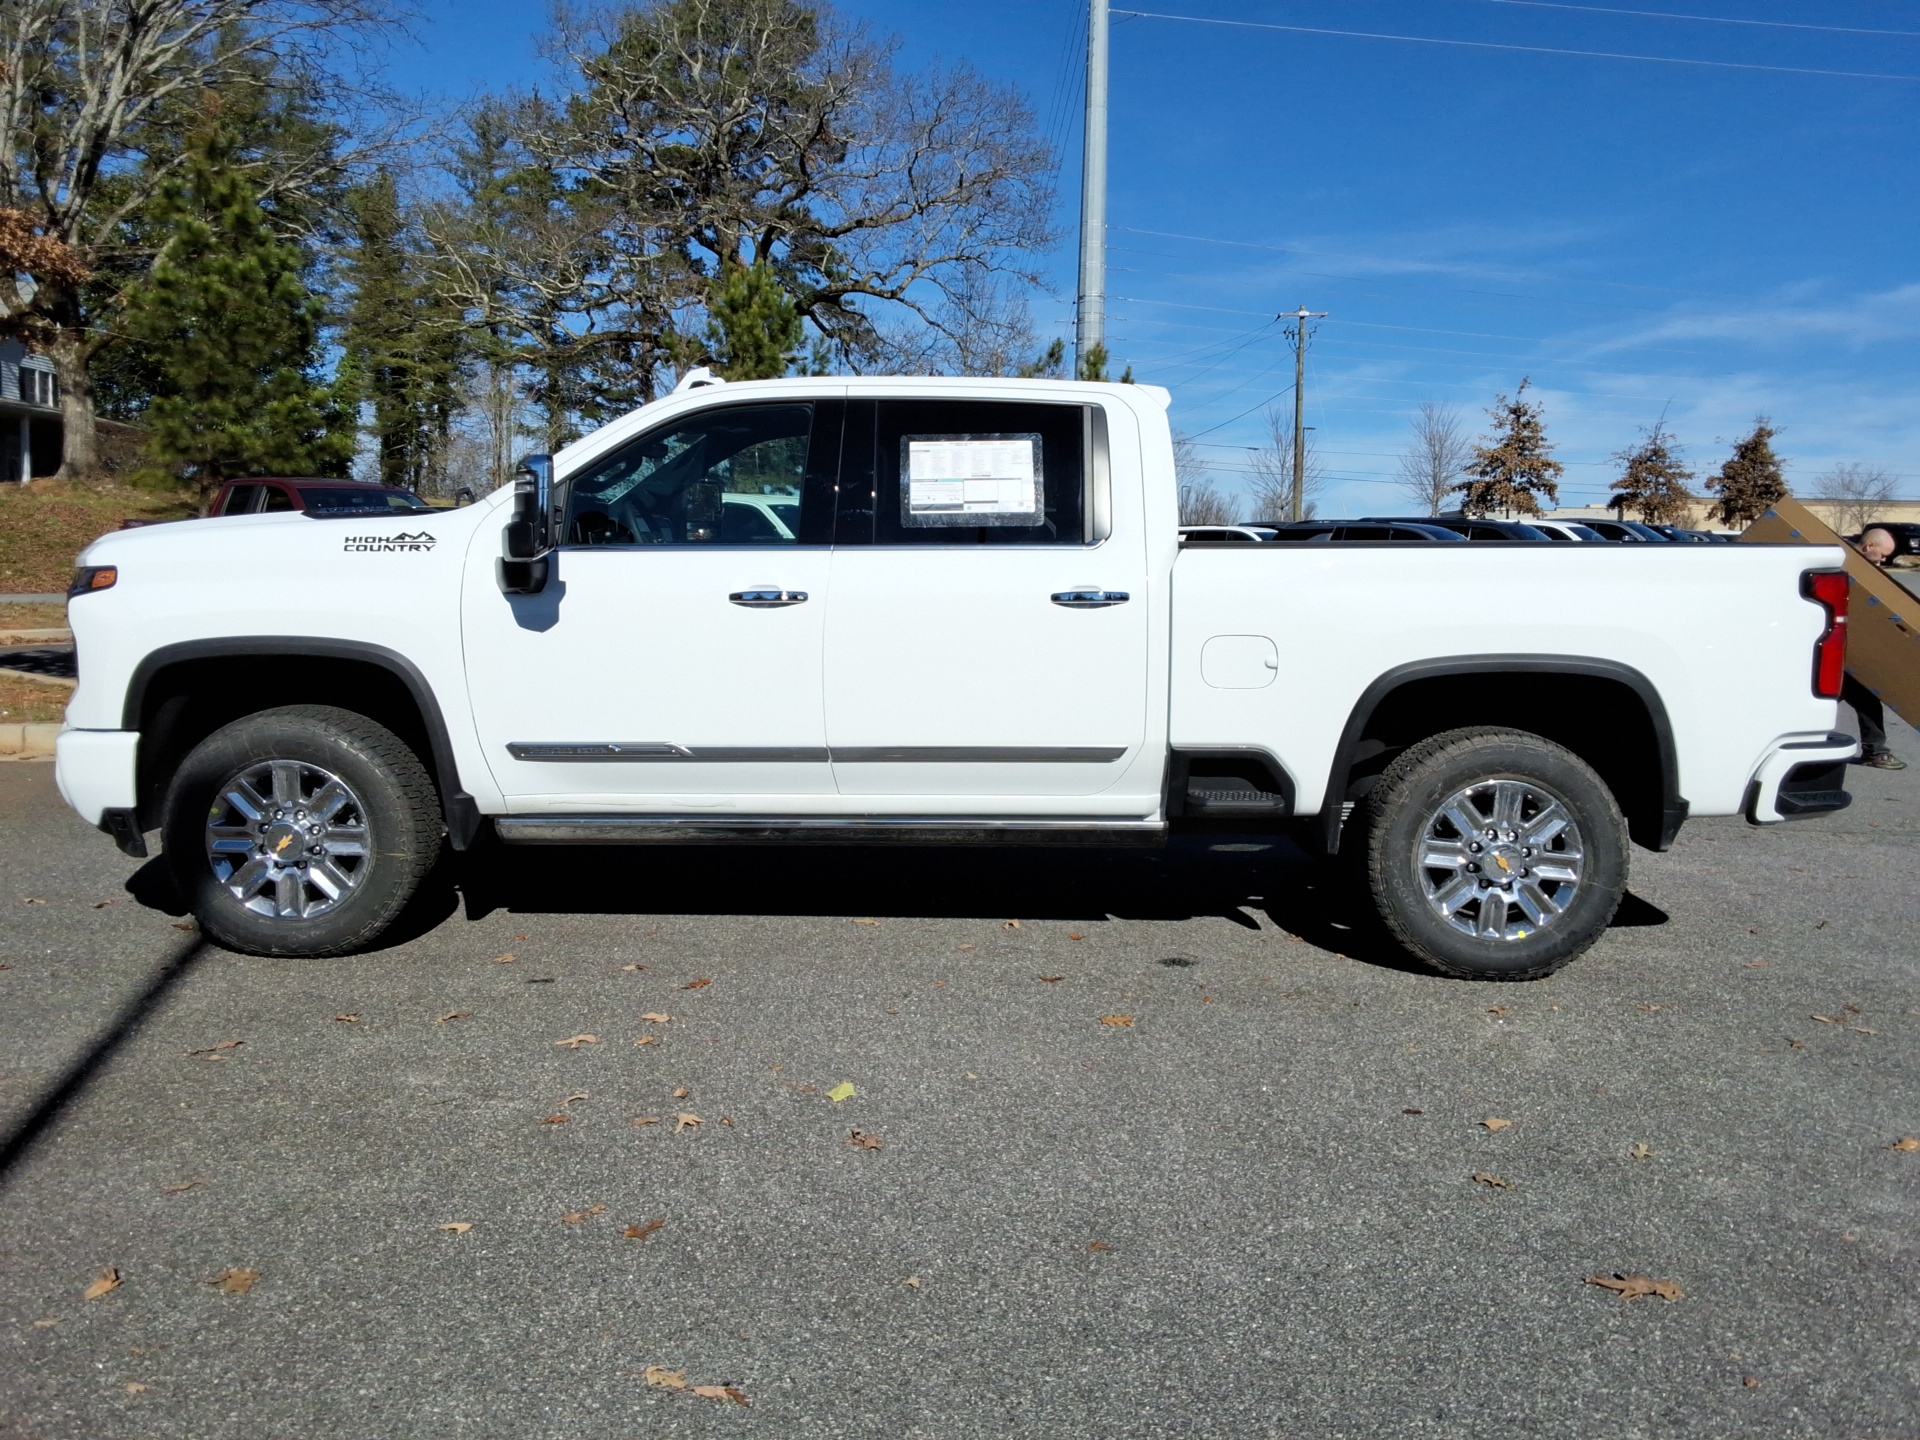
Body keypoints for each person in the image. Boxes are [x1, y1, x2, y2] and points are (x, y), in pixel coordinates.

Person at [1844, 527, 1905, 770]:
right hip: (1828, 649)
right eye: (1883, 554)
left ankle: (1875, 750)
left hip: (1847, 652)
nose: (1884, 560)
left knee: (1865, 699)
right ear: (1868, 546)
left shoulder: (1866, 572)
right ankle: (1875, 751)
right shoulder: (1843, 561)